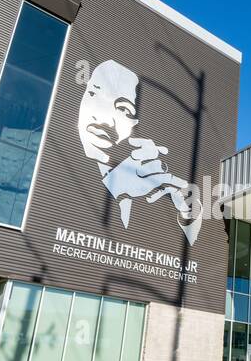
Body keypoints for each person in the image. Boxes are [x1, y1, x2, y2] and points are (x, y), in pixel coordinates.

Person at [77, 60, 202, 245]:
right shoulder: (44, 152)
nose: (107, 120)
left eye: (123, 110)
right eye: (95, 94)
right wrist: (116, 186)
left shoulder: (145, 182)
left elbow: (184, 248)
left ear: (135, 124)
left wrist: (186, 209)